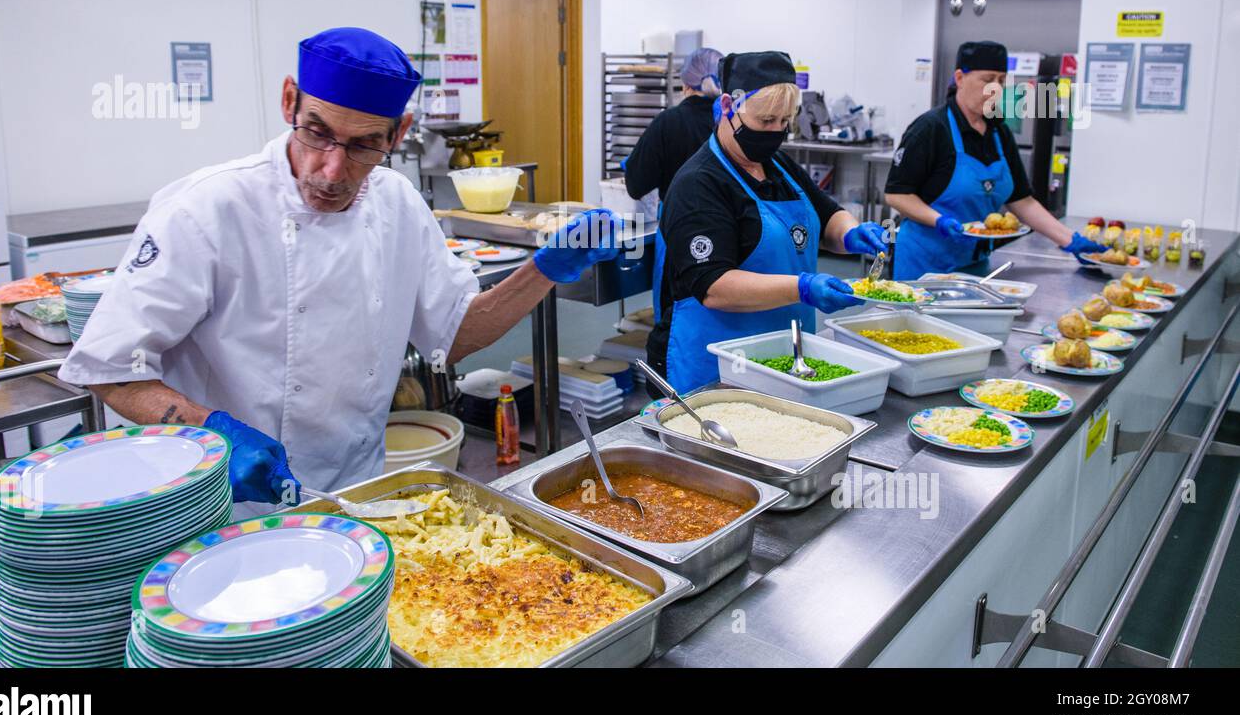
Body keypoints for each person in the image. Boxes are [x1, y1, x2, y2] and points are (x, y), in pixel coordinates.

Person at [58, 27, 619, 508]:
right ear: (288, 102)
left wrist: (544, 270)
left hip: (359, 489)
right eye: (317, 132)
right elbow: (110, 366)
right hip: (222, 502)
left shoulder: (398, 204)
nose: (331, 169)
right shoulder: (206, 210)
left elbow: (455, 335)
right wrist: (212, 433)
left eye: (363, 147)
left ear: (398, 134)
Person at [649, 50, 887, 394]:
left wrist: (851, 233)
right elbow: (714, 287)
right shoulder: (699, 183)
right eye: (765, 121)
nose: (775, 132)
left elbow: (827, 214)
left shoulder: (779, 166)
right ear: (729, 105)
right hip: (717, 367)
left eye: (783, 122)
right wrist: (802, 288)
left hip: (783, 359)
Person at [884, 40, 1105, 280]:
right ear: (960, 78)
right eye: (987, 80)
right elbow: (897, 194)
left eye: (1001, 81)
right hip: (923, 265)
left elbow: (1022, 201)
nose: (995, 89)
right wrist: (939, 221)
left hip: (974, 265)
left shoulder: (999, 133)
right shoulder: (931, 128)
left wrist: (1070, 240)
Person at [623, 46, 723, 320]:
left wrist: (634, 164)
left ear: (685, 84)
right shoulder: (732, 123)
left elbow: (636, 184)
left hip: (679, 230)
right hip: (731, 232)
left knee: (676, 314)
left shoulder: (669, 122)